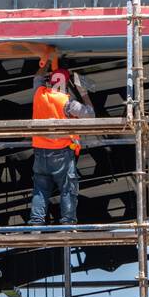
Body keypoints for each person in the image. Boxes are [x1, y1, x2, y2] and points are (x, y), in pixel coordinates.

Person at [28, 63, 96, 227]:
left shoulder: (40, 94)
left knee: (41, 189)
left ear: (50, 82)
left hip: (40, 153)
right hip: (62, 154)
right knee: (67, 189)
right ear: (66, 85)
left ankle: (36, 224)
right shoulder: (68, 103)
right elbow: (91, 115)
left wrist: (43, 63)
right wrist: (83, 92)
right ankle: (67, 224)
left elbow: (37, 78)